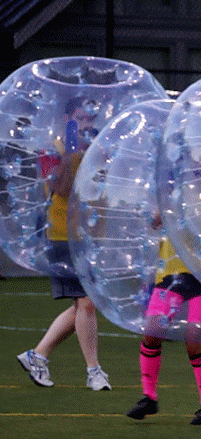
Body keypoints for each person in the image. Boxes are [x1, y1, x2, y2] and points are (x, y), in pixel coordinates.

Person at [17, 96, 111, 391]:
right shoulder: (51, 149)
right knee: (86, 303)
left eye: (90, 119)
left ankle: (38, 355)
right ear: (68, 119)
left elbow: (102, 191)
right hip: (60, 234)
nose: (87, 125)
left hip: (88, 235)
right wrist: (72, 153)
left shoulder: (96, 148)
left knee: (85, 304)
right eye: (81, 119)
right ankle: (94, 370)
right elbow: (61, 189)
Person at [125, 234, 201, 425]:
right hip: (170, 271)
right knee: (151, 332)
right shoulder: (168, 202)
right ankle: (149, 397)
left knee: (194, 339)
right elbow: (154, 221)